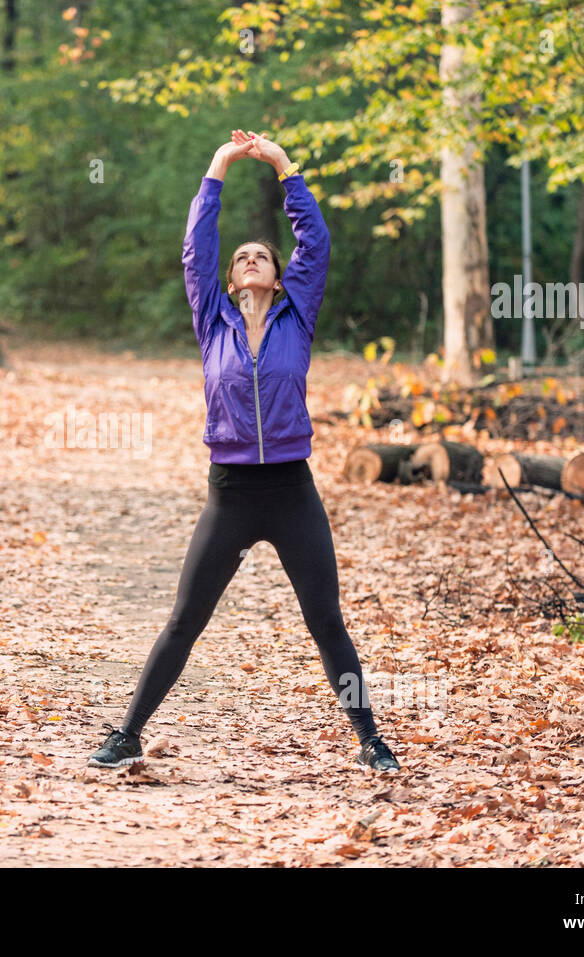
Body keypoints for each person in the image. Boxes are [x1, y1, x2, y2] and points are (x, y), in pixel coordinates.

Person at [88, 130, 401, 773]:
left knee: (326, 623)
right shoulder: (212, 321)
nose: (254, 259)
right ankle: (127, 733)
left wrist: (285, 169)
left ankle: (370, 739)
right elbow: (195, 253)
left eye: (263, 254)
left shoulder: (298, 316)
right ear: (231, 281)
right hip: (229, 493)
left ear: (280, 276)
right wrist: (218, 168)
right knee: (184, 621)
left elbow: (317, 243)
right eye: (244, 257)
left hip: (291, 491)